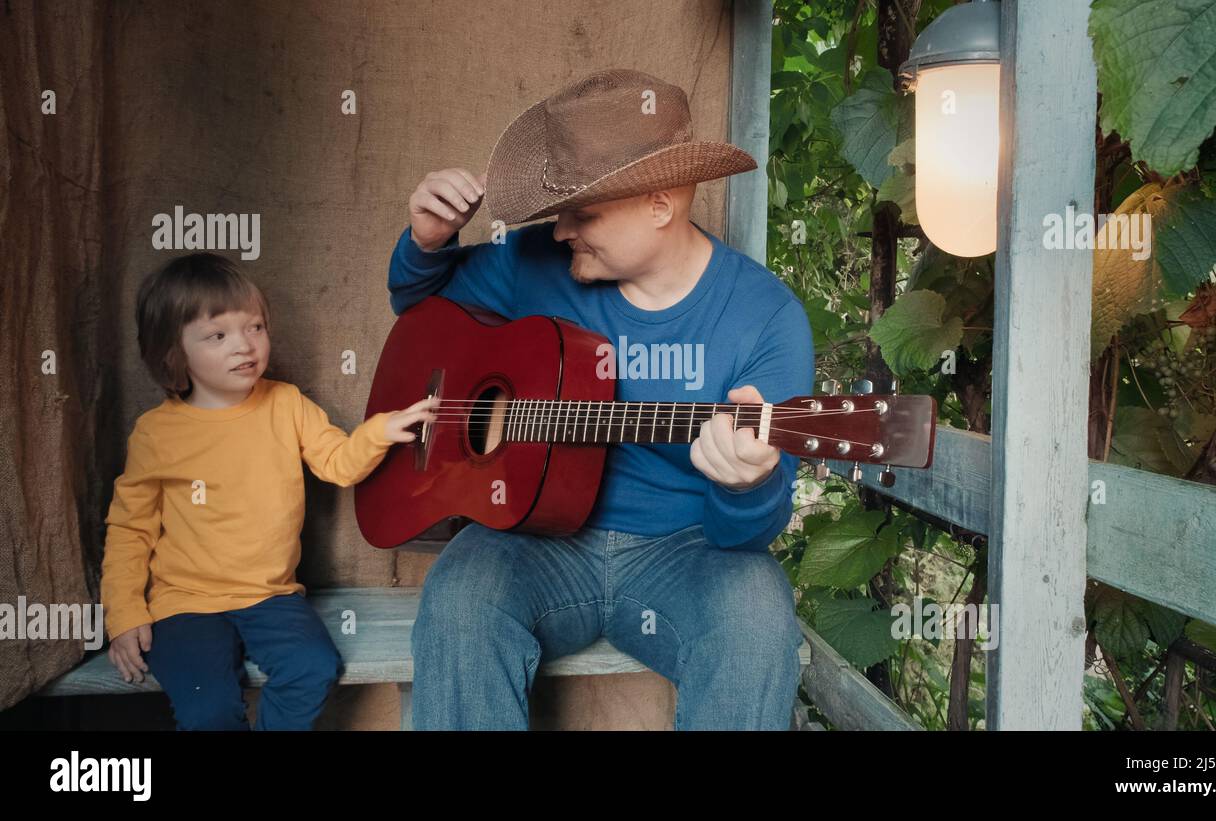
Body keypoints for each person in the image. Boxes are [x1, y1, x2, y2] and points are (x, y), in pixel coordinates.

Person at [390, 68, 814, 730]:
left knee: (759, 611)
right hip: (533, 538)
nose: (559, 232)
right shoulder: (528, 260)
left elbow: (747, 534)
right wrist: (425, 243)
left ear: (661, 206)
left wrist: (748, 486)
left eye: (581, 214)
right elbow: (418, 324)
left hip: (687, 549)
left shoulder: (766, 318)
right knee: (459, 598)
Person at [101, 252, 438, 730]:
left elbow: (339, 464)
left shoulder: (286, 403)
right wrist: (125, 613)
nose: (245, 345)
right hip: (185, 602)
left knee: (314, 669)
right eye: (218, 335)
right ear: (174, 354)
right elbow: (129, 530)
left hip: (271, 597)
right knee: (207, 708)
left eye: (254, 327)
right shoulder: (156, 433)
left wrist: (381, 430)